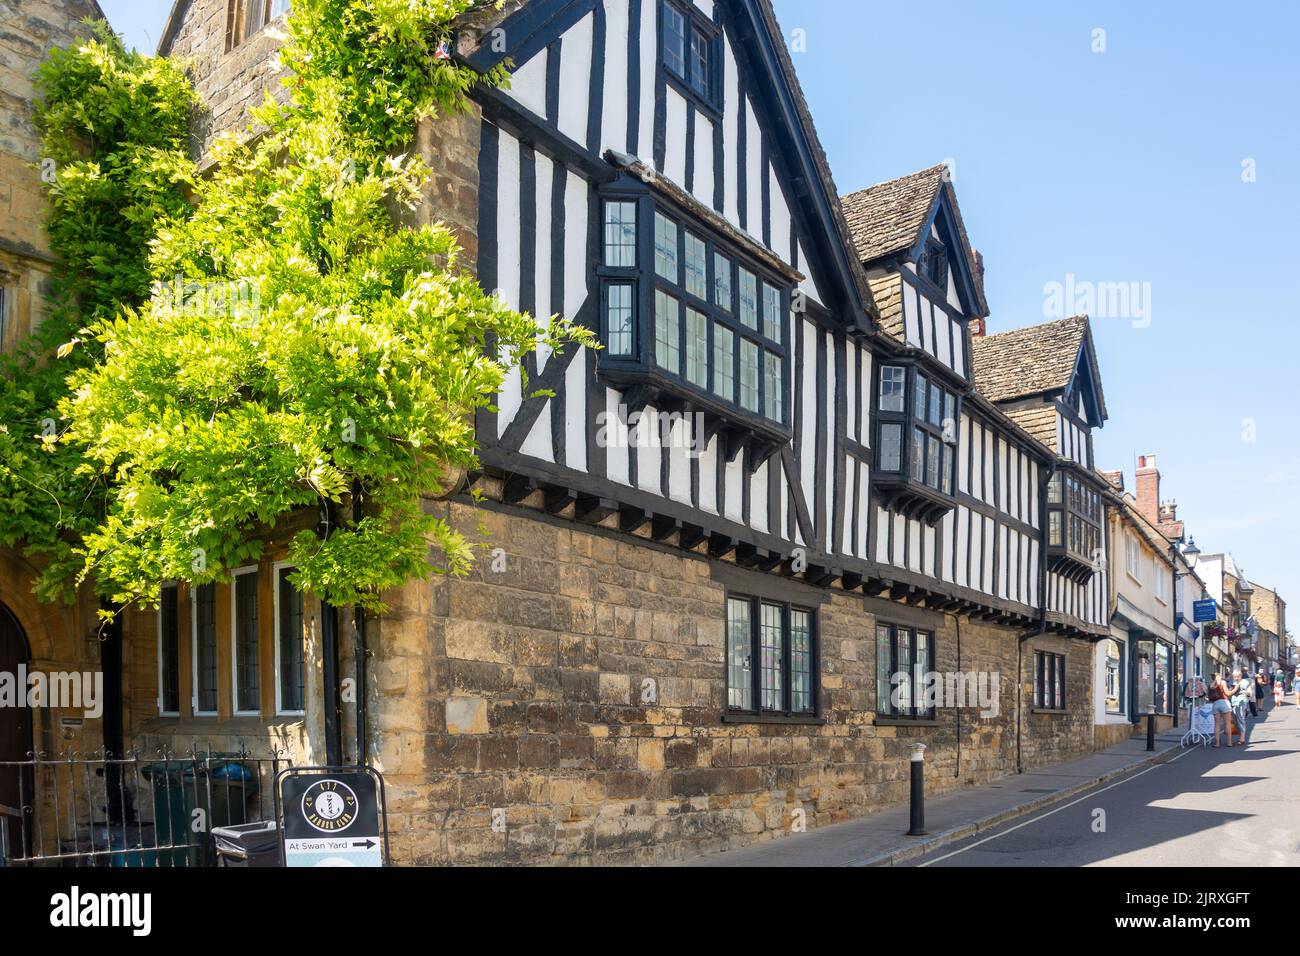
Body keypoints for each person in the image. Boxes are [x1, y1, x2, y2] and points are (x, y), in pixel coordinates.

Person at [1207, 672, 1237, 748]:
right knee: (1227, 723)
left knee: (1217, 724)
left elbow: (1210, 688)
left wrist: (1215, 680)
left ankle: (1217, 743)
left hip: (1216, 704)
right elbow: (1228, 693)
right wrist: (1235, 689)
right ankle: (1229, 743)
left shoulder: (1212, 684)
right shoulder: (1223, 682)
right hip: (1224, 703)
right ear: (1219, 676)